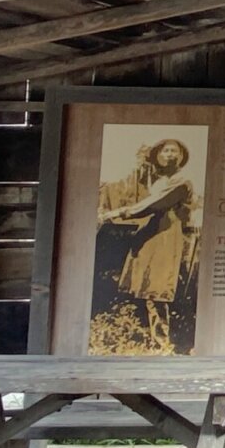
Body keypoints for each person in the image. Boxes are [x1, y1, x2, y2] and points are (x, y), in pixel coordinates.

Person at [96, 138, 199, 353]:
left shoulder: (182, 182)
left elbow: (152, 204)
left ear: (180, 157)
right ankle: (149, 335)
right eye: (165, 150)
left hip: (167, 237)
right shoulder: (157, 181)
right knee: (147, 288)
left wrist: (117, 213)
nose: (169, 154)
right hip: (150, 235)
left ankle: (162, 343)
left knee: (159, 289)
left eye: (174, 151)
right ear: (158, 157)